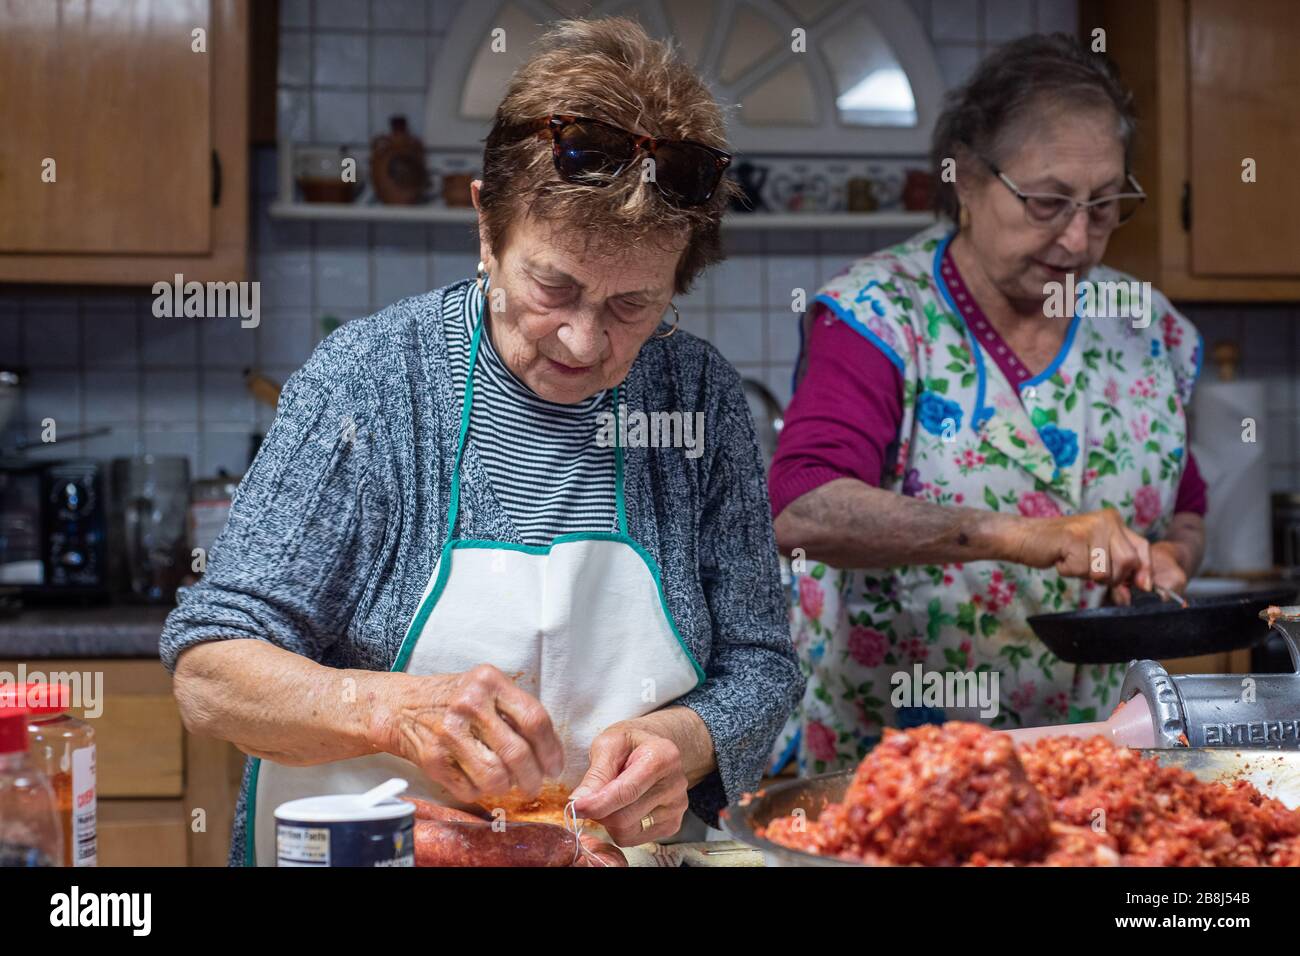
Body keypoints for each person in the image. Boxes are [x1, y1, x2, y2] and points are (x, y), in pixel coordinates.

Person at [161, 17, 802, 865]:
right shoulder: (370, 381)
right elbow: (210, 672)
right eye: (553, 286)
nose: (581, 340)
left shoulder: (700, 399)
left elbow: (760, 663)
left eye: (630, 306)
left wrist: (686, 740)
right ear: (485, 229)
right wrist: (387, 709)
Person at [768, 34, 1204, 774]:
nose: (1077, 238)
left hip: (1098, 759)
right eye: (1047, 202)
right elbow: (803, 509)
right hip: (897, 766)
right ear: (966, 179)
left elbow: (1186, 502)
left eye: (1104, 206)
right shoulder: (880, 315)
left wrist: (1168, 559)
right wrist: (1025, 535)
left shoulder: (1148, 327)